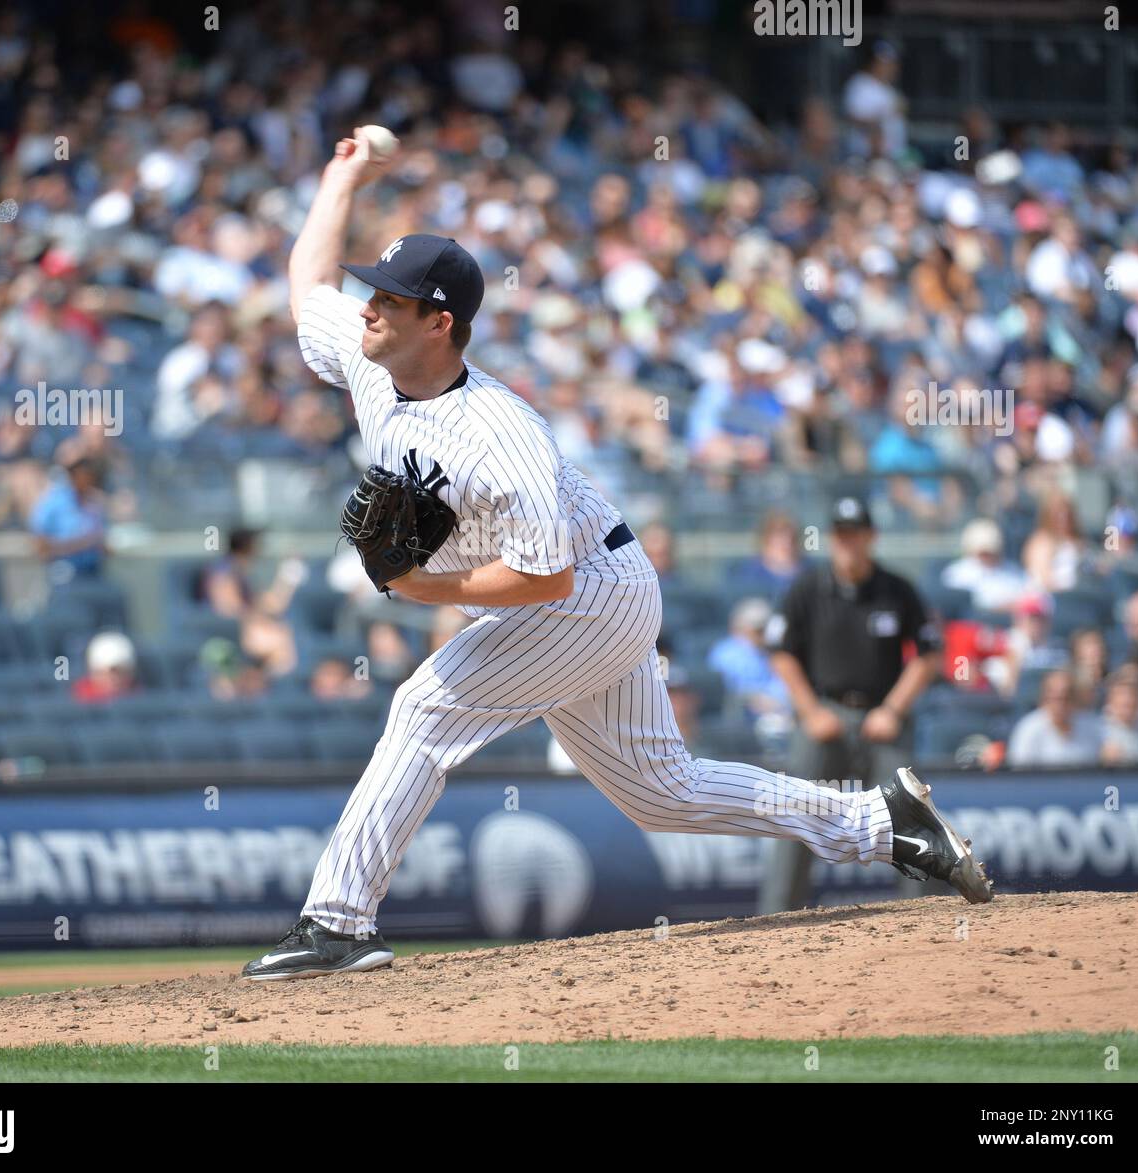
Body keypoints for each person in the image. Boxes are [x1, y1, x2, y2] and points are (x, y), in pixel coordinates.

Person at [239, 132, 991, 982]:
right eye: (372, 290)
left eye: (391, 298)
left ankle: (337, 921)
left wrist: (418, 584)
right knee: (661, 791)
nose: (368, 305)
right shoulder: (371, 363)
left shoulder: (502, 434)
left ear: (440, 323)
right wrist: (340, 178)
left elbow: (546, 577)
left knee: (424, 709)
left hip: (586, 591)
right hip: (564, 595)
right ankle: (884, 823)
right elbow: (307, 283)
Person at [761, 495, 943, 913]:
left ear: (870, 537)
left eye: (855, 534)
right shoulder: (808, 588)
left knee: (910, 808)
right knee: (798, 813)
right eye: (840, 535)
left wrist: (894, 709)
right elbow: (781, 651)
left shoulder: (896, 589)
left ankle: (929, 916)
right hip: (827, 716)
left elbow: (928, 653)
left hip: (883, 716)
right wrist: (810, 712)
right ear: (831, 539)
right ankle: (777, 916)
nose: (847, 543)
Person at [198, 529, 303, 678]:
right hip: (231, 632)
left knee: (286, 632)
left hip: (250, 627)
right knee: (280, 642)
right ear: (247, 547)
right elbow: (229, 610)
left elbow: (272, 605)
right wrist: (260, 619)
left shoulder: (242, 574)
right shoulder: (223, 573)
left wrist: (288, 576)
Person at [30, 455, 107, 581]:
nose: (87, 482)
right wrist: (81, 545)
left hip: (92, 569)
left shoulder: (94, 505)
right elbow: (40, 543)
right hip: (63, 568)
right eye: (83, 476)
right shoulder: (54, 502)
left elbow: (101, 541)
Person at [1007, 668, 1101, 767]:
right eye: (1056, 698)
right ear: (1044, 698)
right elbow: (1021, 776)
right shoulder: (1028, 729)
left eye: (1066, 698)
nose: (1061, 704)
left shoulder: (1091, 726)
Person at [940, 517, 1027, 615]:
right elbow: (960, 605)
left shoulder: (1013, 572)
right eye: (983, 552)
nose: (987, 556)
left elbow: (1028, 598)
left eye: (991, 551)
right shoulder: (957, 573)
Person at [1100, 665, 1138, 766]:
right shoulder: (1098, 732)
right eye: (1124, 705)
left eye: (1132, 704)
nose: (1128, 710)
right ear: (1111, 702)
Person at [72, 632, 138, 704]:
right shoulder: (78, 698)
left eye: (121, 672)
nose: (115, 679)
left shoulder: (138, 696)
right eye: (110, 672)